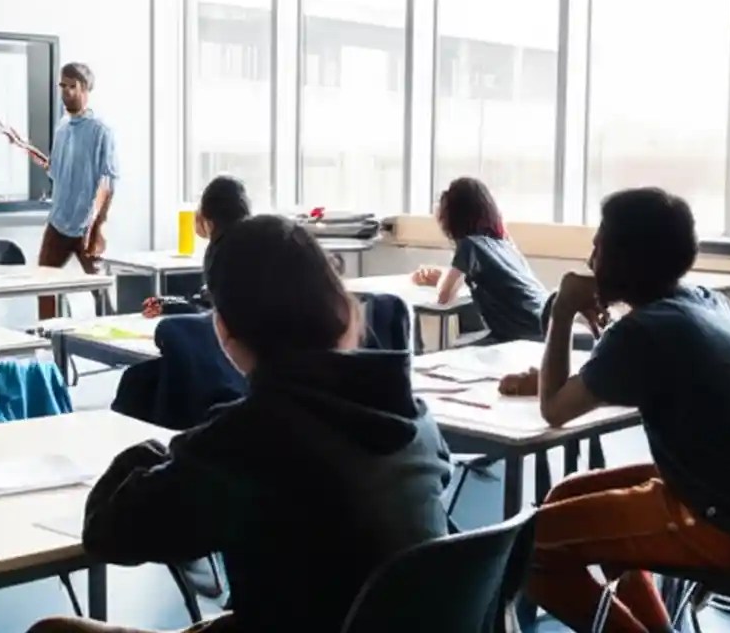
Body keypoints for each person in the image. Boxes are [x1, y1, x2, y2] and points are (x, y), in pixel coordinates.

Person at [29, 215, 451, 633]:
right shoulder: (413, 415)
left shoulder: (251, 439)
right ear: (340, 308)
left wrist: (152, 452)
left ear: (224, 326)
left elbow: (109, 533)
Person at [509, 187, 730, 633]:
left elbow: (554, 409)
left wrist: (564, 309)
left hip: (727, 523)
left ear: (624, 258)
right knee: (563, 497)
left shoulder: (642, 333)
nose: (590, 260)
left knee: (527, 548)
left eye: (599, 245)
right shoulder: (707, 302)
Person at [2, 62, 117, 320]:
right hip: (58, 222)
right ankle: (49, 340)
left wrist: (97, 226)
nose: (65, 92)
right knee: (44, 284)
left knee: (98, 288)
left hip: (86, 225)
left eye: (72, 87)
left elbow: (108, 181)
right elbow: (55, 169)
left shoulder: (101, 130)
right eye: (62, 86)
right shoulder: (63, 127)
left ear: (85, 88)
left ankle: (111, 336)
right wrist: (22, 145)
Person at [411, 177, 547, 343]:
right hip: (544, 323)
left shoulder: (469, 245)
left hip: (520, 333)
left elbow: (444, 297)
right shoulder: (504, 244)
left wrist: (441, 280)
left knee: (456, 352)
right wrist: (443, 277)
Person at [142, 174, 251, 317]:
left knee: (166, 328)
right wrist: (169, 304)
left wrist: (173, 308)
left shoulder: (221, 249)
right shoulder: (250, 238)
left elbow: (212, 314)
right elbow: (207, 302)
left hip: (235, 325)